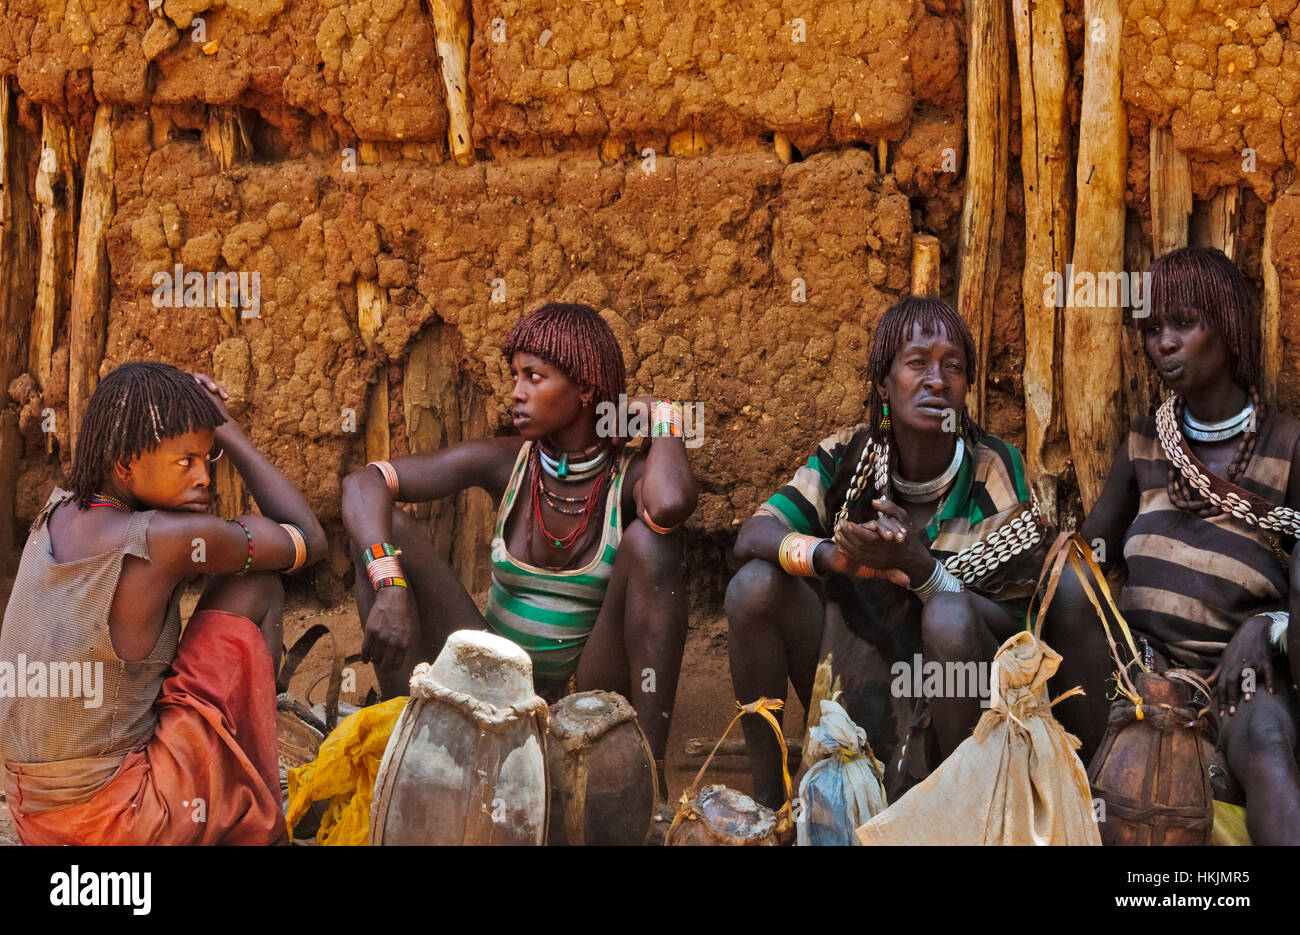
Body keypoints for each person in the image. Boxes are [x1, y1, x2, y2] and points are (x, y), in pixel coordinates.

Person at [341, 302, 696, 778]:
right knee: (386, 536)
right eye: (515, 376)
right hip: (489, 674)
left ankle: (648, 778)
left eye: (534, 376)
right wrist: (388, 583)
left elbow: (671, 505)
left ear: (586, 388)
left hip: (581, 690)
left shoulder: (627, 480)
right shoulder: (507, 461)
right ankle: (411, 752)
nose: (516, 393)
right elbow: (364, 484)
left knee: (652, 545)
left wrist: (665, 416)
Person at [726, 295, 1046, 809]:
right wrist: (837, 558)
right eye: (917, 362)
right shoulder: (848, 456)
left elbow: (1020, 630)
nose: (937, 380)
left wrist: (922, 571)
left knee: (948, 617)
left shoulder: (993, 469)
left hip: (953, 701)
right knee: (754, 587)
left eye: (954, 368)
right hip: (850, 681)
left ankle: (953, 812)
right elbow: (753, 535)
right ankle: (771, 804)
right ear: (883, 381)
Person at [0, 361, 327, 845]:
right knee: (255, 585)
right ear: (125, 465)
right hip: (123, 822)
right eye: (186, 461)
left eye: (208, 457)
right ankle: (259, 823)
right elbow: (309, 540)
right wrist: (229, 431)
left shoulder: (56, 512)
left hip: (39, 820)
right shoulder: (168, 538)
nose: (204, 479)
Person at [1047, 246, 1300, 845]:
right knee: (1067, 585)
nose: (1164, 342)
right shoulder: (1144, 444)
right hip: (1138, 665)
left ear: (1230, 329)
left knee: (1267, 749)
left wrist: (1270, 625)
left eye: (1184, 323)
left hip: (1240, 677)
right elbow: (1088, 560)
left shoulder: (1288, 447)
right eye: (1152, 328)